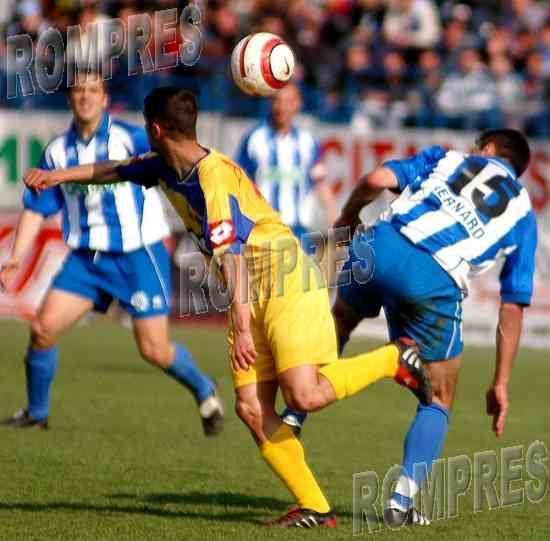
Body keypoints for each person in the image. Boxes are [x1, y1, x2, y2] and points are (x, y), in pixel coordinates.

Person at [23, 86, 432, 528]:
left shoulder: (211, 175)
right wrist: (57, 176)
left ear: (155, 129)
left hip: (284, 278)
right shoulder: (164, 165)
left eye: (145, 126)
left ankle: (394, 358)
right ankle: (315, 507)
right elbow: (117, 169)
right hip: (249, 290)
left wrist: (238, 318)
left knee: (304, 394)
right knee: (253, 409)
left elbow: (230, 251)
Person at [330, 129, 536, 525]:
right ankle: (400, 502)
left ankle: (291, 418)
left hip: (381, 245)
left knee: (337, 326)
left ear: (490, 150)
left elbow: (376, 180)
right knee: (439, 397)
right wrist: (501, 382)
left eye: (481, 146)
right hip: (434, 278)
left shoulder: (448, 157)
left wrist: (347, 216)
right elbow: (512, 306)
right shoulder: (523, 214)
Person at [0, 77, 224, 436]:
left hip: (138, 255)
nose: (85, 97)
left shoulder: (132, 137)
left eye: (92, 90)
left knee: (154, 349)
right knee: (42, 329)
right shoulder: (57, 151)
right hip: (87, 260)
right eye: (78, 90)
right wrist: (16, 257)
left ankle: (204, 388)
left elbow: (179, 156)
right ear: (70, 97)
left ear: (105, 98)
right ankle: (37, 413)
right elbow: (36, 207)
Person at [235, 83, 337, 246]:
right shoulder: (254, 138)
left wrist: (333, 215)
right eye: (277, 100)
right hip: (263, 230)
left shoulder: (307, 141)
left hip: (299, 231)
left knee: (306, 272)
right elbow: (238, 181)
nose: (282, 107)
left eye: (288, 101)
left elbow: (320, 182)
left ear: (298, 104)